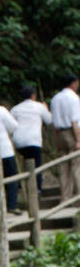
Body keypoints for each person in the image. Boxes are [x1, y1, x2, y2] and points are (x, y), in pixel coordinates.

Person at [10, 84, 51, 193]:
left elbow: (10, 123)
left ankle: (24, 185)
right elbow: (49, 120)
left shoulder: (16, 109)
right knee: (36, 165)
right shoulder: (39, 106)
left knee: (26, 161)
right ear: (33, 95)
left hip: (19, 141)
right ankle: (37, 188)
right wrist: (46, 108)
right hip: (34, 140)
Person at [49, 73, 80, 203]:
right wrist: (78, 139)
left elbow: (53, 122)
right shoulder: (73, 98)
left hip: (58, 133)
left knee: (63, 167)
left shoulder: (55, 99)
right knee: (76, 165)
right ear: (73, 83)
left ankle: (65, 198)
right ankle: (78, 196)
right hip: (70, 132)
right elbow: (75, 121)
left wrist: (55, 140)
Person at [0, 103, 21, 213]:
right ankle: (12, 205)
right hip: (5, 151)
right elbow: (14, 126)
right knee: (11, 178)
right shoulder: (0, 110)